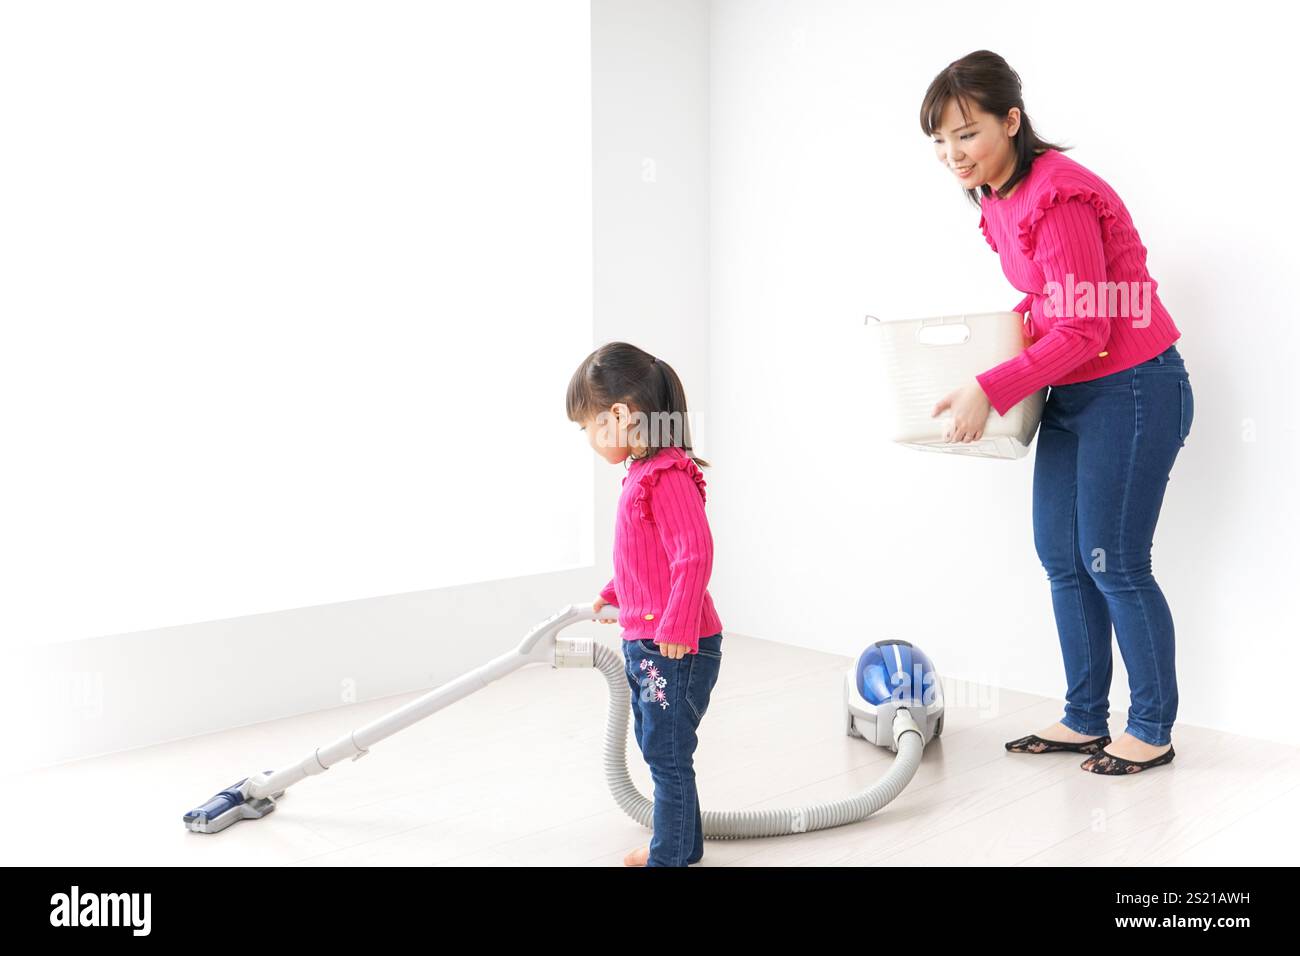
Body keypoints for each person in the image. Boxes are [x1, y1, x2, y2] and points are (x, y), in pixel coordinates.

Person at [921, 51, 1193, 775]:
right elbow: (1053, 300)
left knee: (1116, 563)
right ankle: (1083, 717)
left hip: (1134, 388)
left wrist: (993, 384)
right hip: (1076, 390)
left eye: (968, 134)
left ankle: (1152, 727)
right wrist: (993, 353)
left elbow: (1087, 329)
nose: (953, 155)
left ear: (1012, 121)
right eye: (941, 141)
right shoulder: (997, 197)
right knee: (1064, 557)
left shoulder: (1058, 194)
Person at [566, 342, 725, 863]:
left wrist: (677, 626)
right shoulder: (640, 474)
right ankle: (683, 844)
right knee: (662, 745)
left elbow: (694, 552)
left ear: (618, 415)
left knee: (666, 752)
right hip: (649, 642)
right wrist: (614, 591)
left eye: (588, 426)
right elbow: (647, 554)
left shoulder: (668, 474)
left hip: (675, 646)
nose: (588, 439)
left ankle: (669, 856)